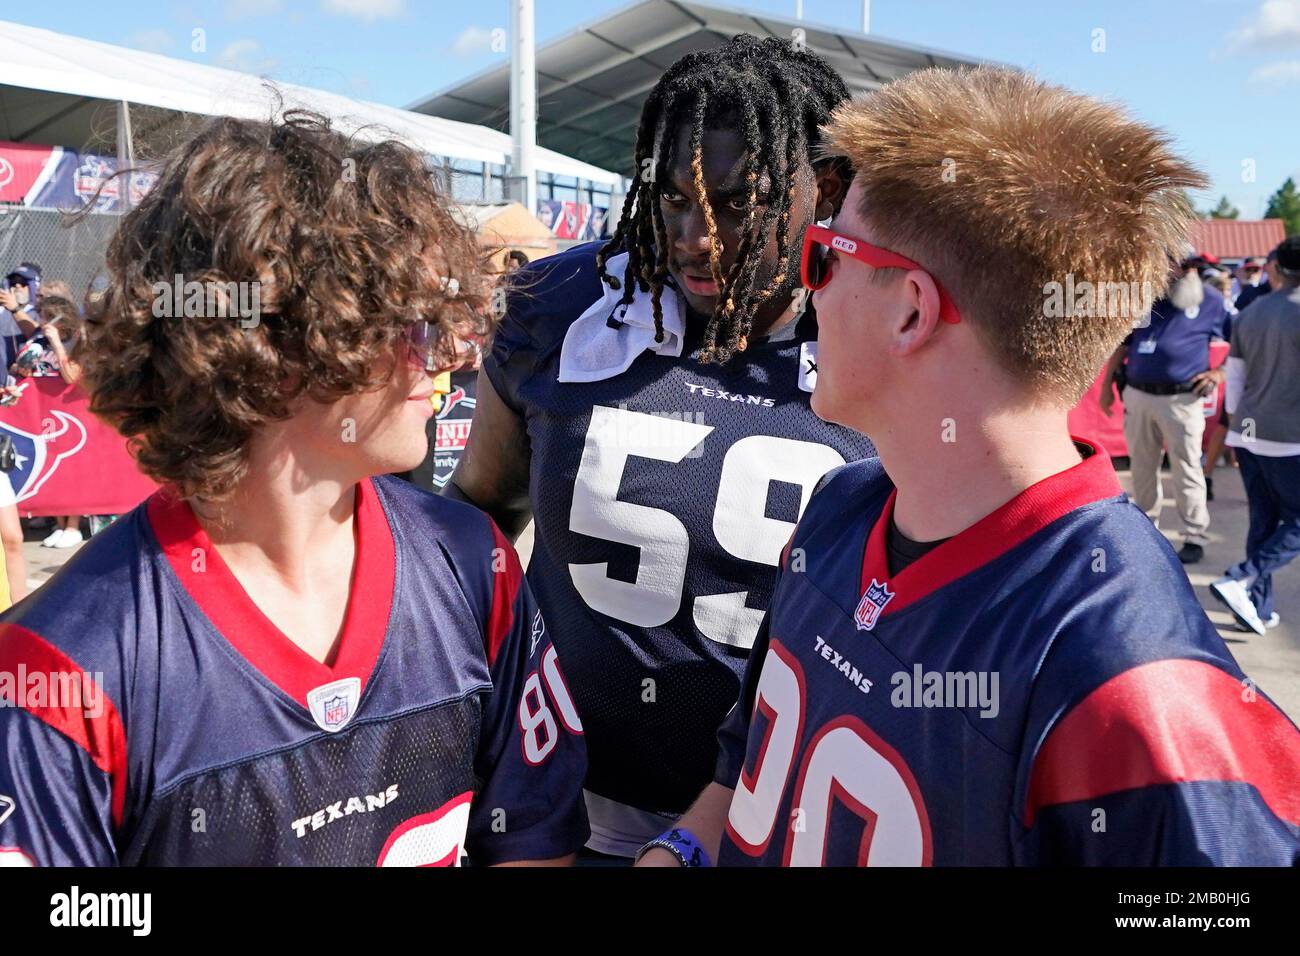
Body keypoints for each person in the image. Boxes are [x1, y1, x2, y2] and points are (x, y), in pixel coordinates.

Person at [639, 66, 1300, 868]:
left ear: (912, 309)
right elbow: (753, 757)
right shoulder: (844, 504)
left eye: (824, 254)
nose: (810, 289)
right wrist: (680, 849)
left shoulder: (1128, 675)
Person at [0, 112, 587, 866]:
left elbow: (533, 841)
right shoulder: (66, 665)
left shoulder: (474, 566)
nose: (438, 355)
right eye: (408, 325)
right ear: (276, 350)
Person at [446, 34, 877, 858]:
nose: (696, 235)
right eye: (676, 199)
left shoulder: (877, 333)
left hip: (776, 816)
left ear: (821, 189)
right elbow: (478, 515)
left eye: (737, 200)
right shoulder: (563, 309)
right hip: (559, 806)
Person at [1099, 256, 1228, 564]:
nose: (1181, 270)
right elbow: (1124, 344)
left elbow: (1240, 344)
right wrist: (1106, 387)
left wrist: (1218, 373)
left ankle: (1194, 534)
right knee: (1143, 467)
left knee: (1187, 468)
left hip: (1182, 400)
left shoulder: (1210, 300)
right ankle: (1147, 530)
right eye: (1172, 263)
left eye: (1187, 265)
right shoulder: (1148, 295)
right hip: (1140, 395)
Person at [1211, 235, 1300, 635]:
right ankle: (1243, 579)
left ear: (1276, 268)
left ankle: (1255, 609)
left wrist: (1233, 430)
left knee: (1263, 520)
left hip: (1249, 433)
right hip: (1289, 437)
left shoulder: (1251, 311)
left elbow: (1235, 378)